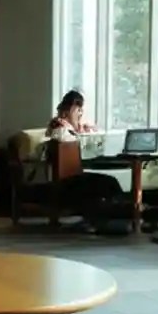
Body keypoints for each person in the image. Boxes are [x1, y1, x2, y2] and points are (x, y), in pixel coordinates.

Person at [40, 91, 126, 232]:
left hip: (75, 173)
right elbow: (61, 140)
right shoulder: (58, 126)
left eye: (81, 109)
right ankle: (117, 218)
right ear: (67, 109)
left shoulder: (76, 127)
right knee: (106, 184)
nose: (80, 113)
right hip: (63, 178)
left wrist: (87, 133)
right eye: (77, 109)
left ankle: (115, 218)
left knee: (110, 183)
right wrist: (79, 134)